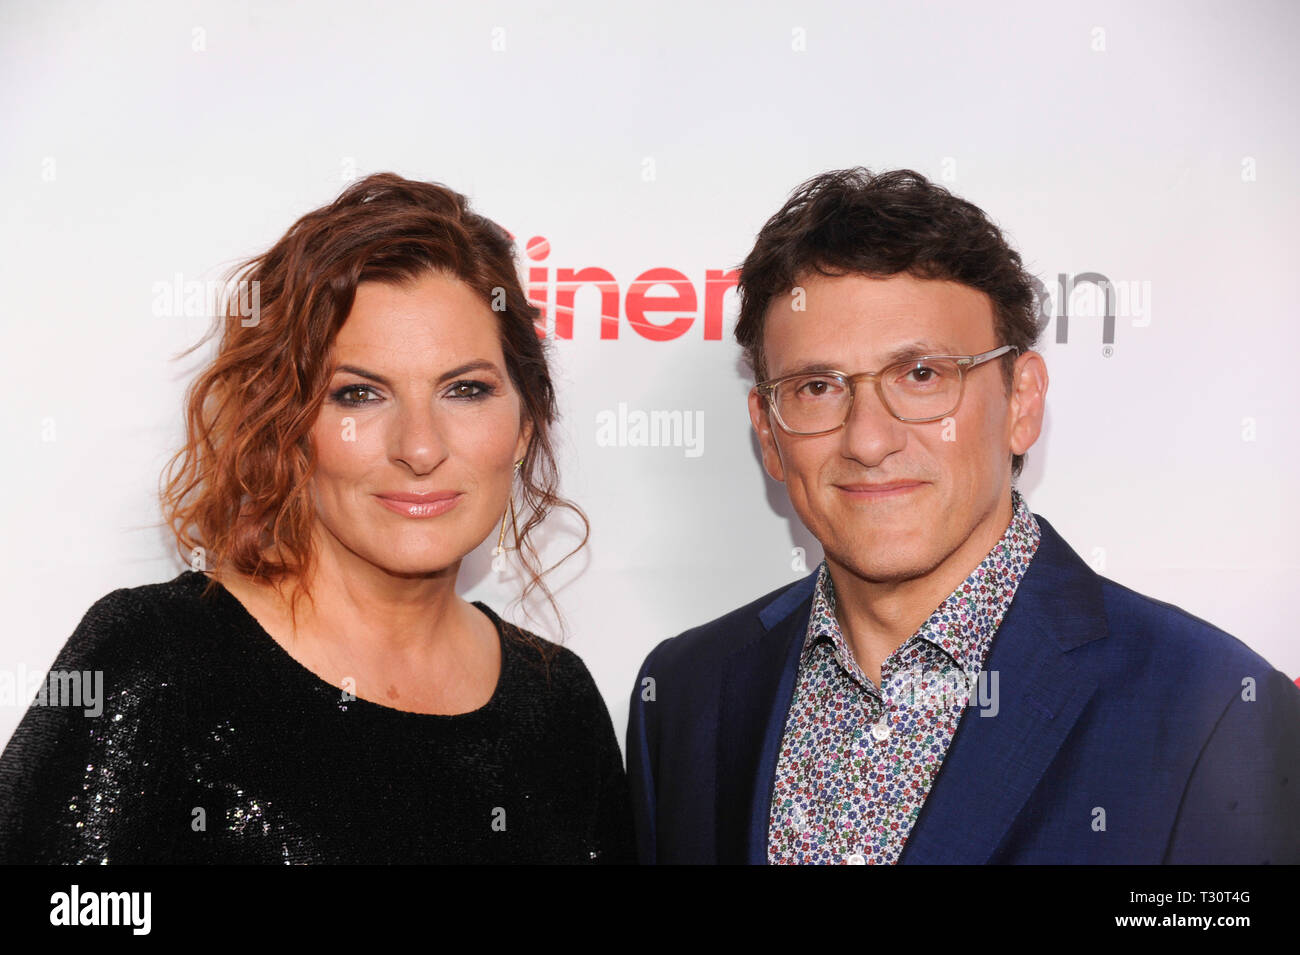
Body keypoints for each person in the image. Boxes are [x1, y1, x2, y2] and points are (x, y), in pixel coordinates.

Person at [626, 167, 1300, 865]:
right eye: (817, 387)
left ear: (1022, 403)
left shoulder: (1211, 708)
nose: (868, 439)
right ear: (768, 430)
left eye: (922, 376)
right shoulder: (683, 695)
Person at [0, 172, 633, 864]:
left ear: (524, 423)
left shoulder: (559, 705)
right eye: (359, 394)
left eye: (466, 389)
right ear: (288, 426)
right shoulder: (157, 659)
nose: (419, 447)